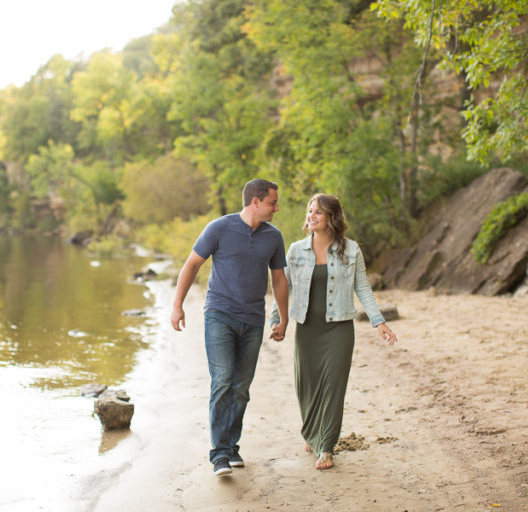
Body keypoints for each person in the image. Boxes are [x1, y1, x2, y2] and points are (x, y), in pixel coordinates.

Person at [170, 178, 289, 477]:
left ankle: (231, 447)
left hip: (253, 319)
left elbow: (278, 279)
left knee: (241, 387)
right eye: (273, 202)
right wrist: (177, 304)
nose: (277, 208)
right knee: (223, 380)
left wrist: (282, 318)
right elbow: (192, 264)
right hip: (219, 314)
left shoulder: (273, 237)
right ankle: (219, 453)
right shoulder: (219, 228)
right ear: (255, 202)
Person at [269, 193, 397, 470]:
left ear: (332, 218)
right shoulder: (295, 251)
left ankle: (326, 447)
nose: (311, 216)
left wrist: (379, 321)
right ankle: (311, 431)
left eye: (318, 212)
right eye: (309, 211)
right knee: (307, 386)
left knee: (333, 387)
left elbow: (362, 287)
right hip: (307, 328)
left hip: (338, 328)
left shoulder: (351, 250)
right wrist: (275, 320)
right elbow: (283, 288)